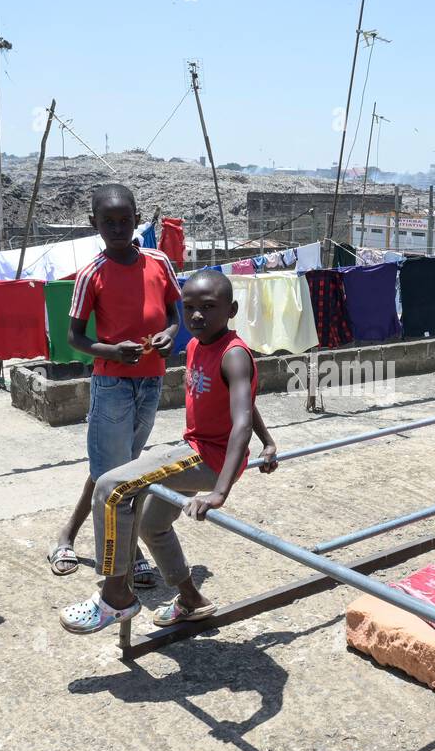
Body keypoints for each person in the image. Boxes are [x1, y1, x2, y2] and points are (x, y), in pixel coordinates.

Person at [59, 269, 277, 634]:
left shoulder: (234, 355)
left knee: (110, 486)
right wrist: (268, 441)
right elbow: (243, 404)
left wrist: (219, 492)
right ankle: (192, 599)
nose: (196, 316)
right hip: (195, 448)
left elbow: (240, 421)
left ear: (232, 309)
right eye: (189, 307)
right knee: (151, 524)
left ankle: (116, 597)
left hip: (212, 460)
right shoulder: (195, 345)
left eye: (208, 307)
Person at [47, 184, 181, 587]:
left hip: (151, 383)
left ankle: (66, 534)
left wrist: (170, 334)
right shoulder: (92, 274)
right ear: (95, 224)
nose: (118, 228)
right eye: (109, 222)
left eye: (125, 220)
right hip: (113, 384)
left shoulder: (158, 262)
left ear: (138, 220)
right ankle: (128, 554)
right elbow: (73, 337)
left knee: (117, 469)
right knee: (116, 474)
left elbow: (175, 314)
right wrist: (110, 350)